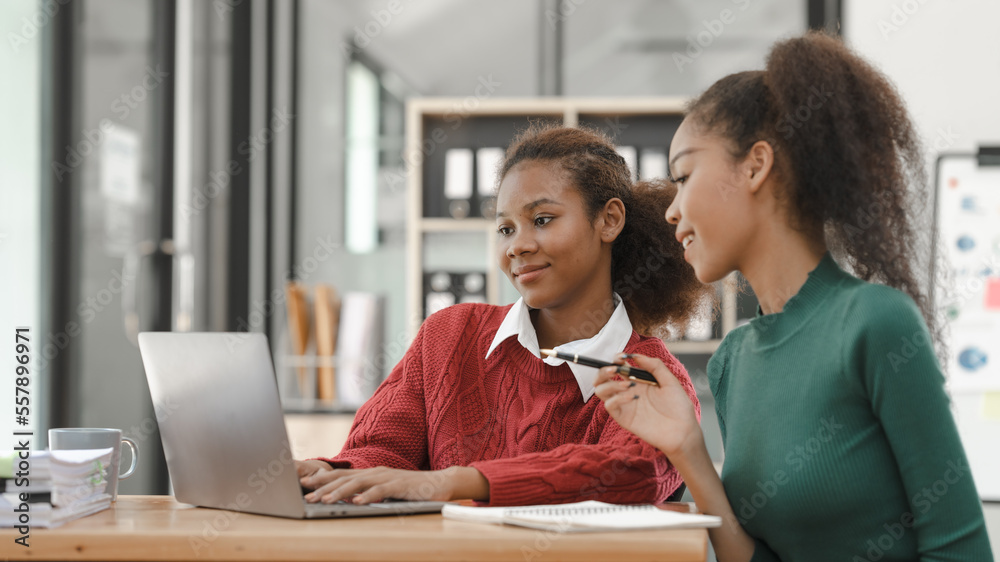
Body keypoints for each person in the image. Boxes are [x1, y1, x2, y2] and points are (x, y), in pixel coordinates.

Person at [595, 31, 993, 561]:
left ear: (756, 166)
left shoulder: (875, 325)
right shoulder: (733, 362)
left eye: (685, 175)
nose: (671, 209)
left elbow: (960, 549)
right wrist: (687, 447)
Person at [296, 125, 712, 506]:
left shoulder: (652, 379)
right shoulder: (449, 334)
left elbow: (627, 470)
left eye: (542, 220)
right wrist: (332, 474)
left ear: (609, 220)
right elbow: (384, 450)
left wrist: (457, 482)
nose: (517, 246)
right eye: (505, 229)